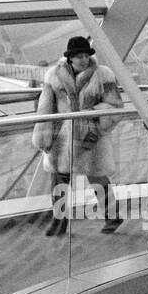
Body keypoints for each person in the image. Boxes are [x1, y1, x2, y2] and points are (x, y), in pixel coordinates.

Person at [32, 35, 124, 236]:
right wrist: (43, 135)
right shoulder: (53, 76)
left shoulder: (103, 75)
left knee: (97, 176)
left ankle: (113, 216)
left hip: (90, 136)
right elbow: (45, 108)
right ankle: (59, 223)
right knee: (59, 180)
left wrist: (93, 120)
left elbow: (115, 106)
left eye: (86, 55)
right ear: (70, 58)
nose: (83, 59)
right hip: (61, 138)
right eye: (78, 56)